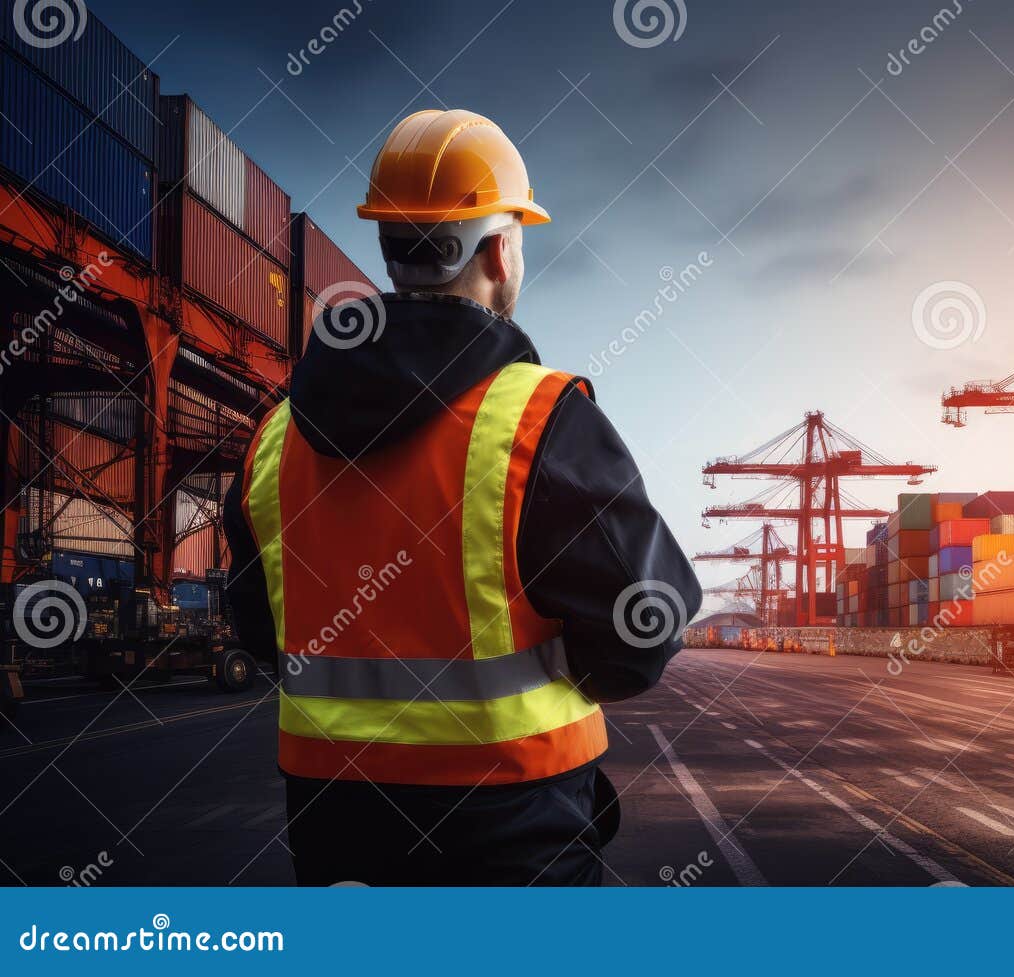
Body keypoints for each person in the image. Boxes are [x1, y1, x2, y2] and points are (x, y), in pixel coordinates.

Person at [223, 108, 700, 885]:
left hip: (334, 833)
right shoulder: (540, 421)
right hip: (516, 834)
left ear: (390, 248)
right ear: (500, 248)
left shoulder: (275, 437)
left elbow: (254, 626)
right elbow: (647, 622)